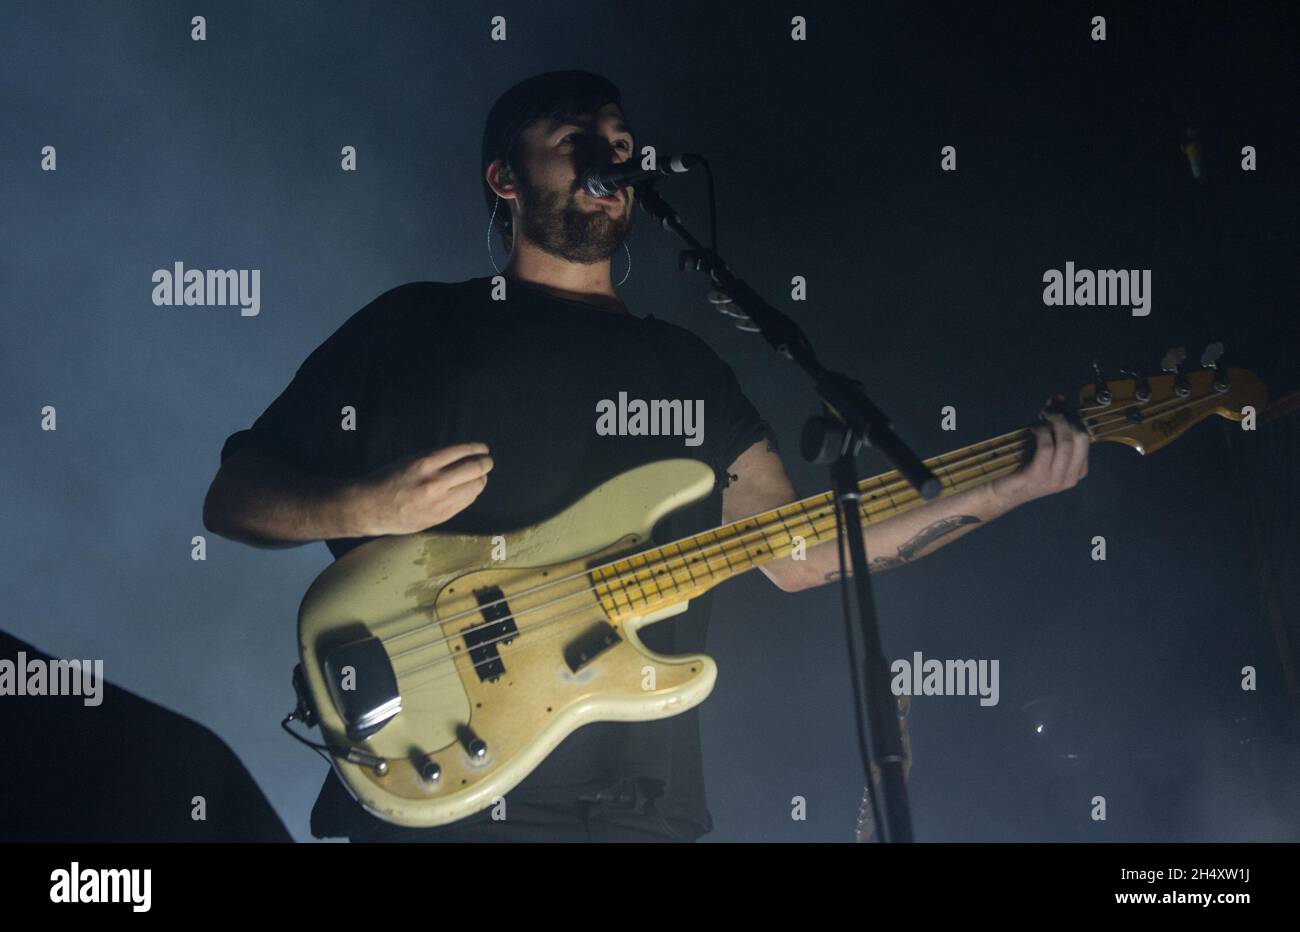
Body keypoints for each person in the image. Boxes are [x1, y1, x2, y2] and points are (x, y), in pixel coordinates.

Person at [202, 70, 1089, 842]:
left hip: (632, 809)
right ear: (503, 178)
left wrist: (1009, 489)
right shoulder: (417, 324)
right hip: (438, 779)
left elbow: (806, 551)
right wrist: (367, 510)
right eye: (576, 139)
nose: (610, 156)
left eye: (622, 143)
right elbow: (235, 493)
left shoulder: (687, 368)